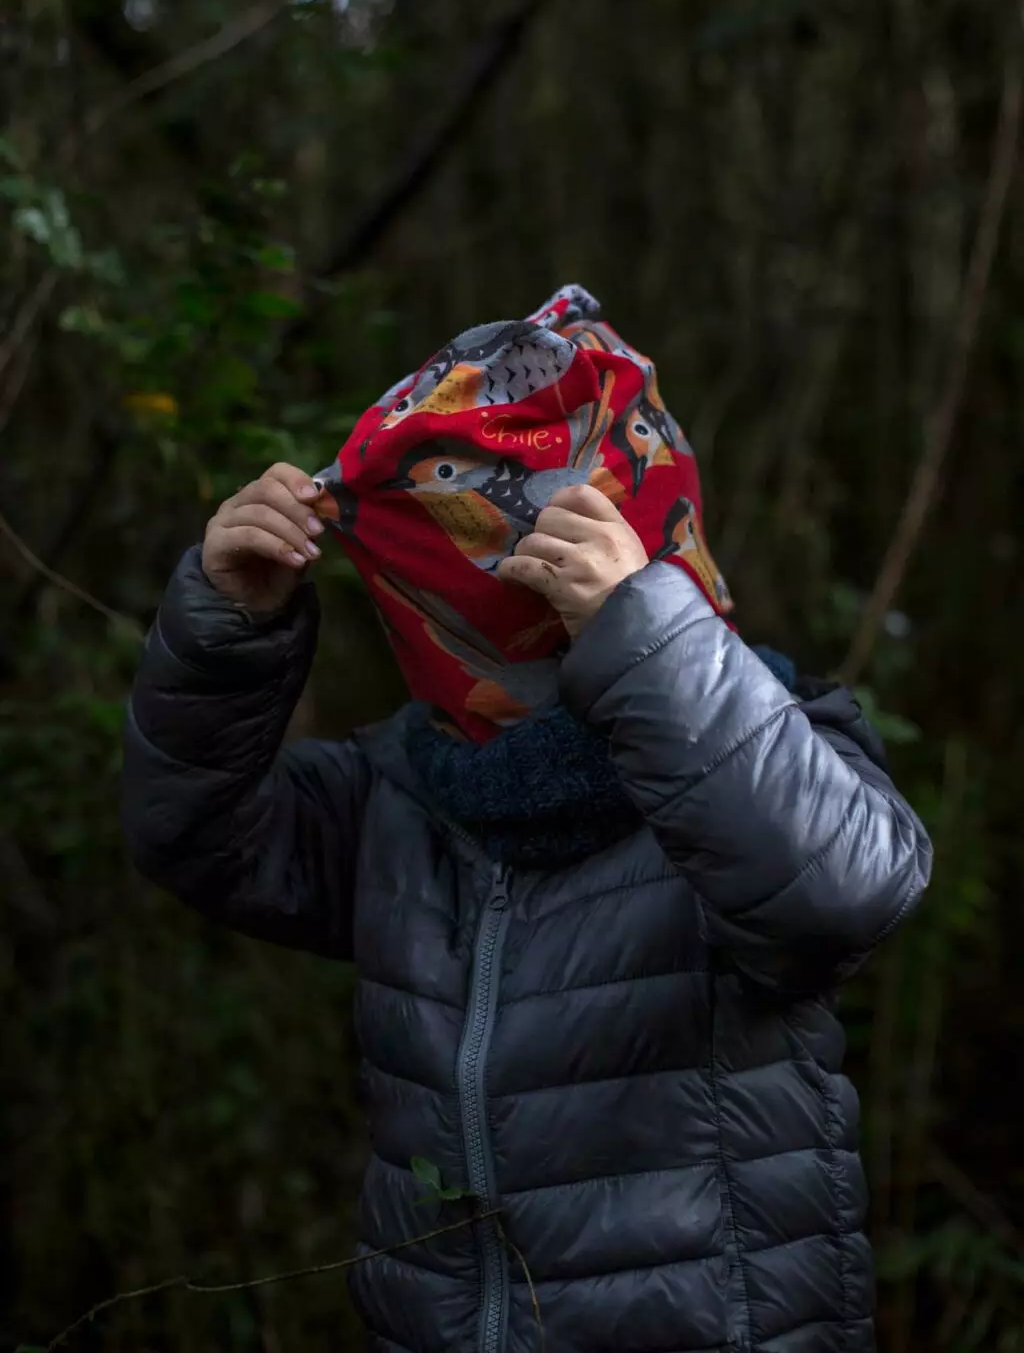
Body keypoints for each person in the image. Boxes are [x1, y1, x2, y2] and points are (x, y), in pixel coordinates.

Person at [122, 285, 932, 1353]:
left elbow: (848, 894)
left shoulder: (752, 743)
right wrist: (225, 625)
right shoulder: (404, 792)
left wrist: (640, 628)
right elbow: (195, 834)